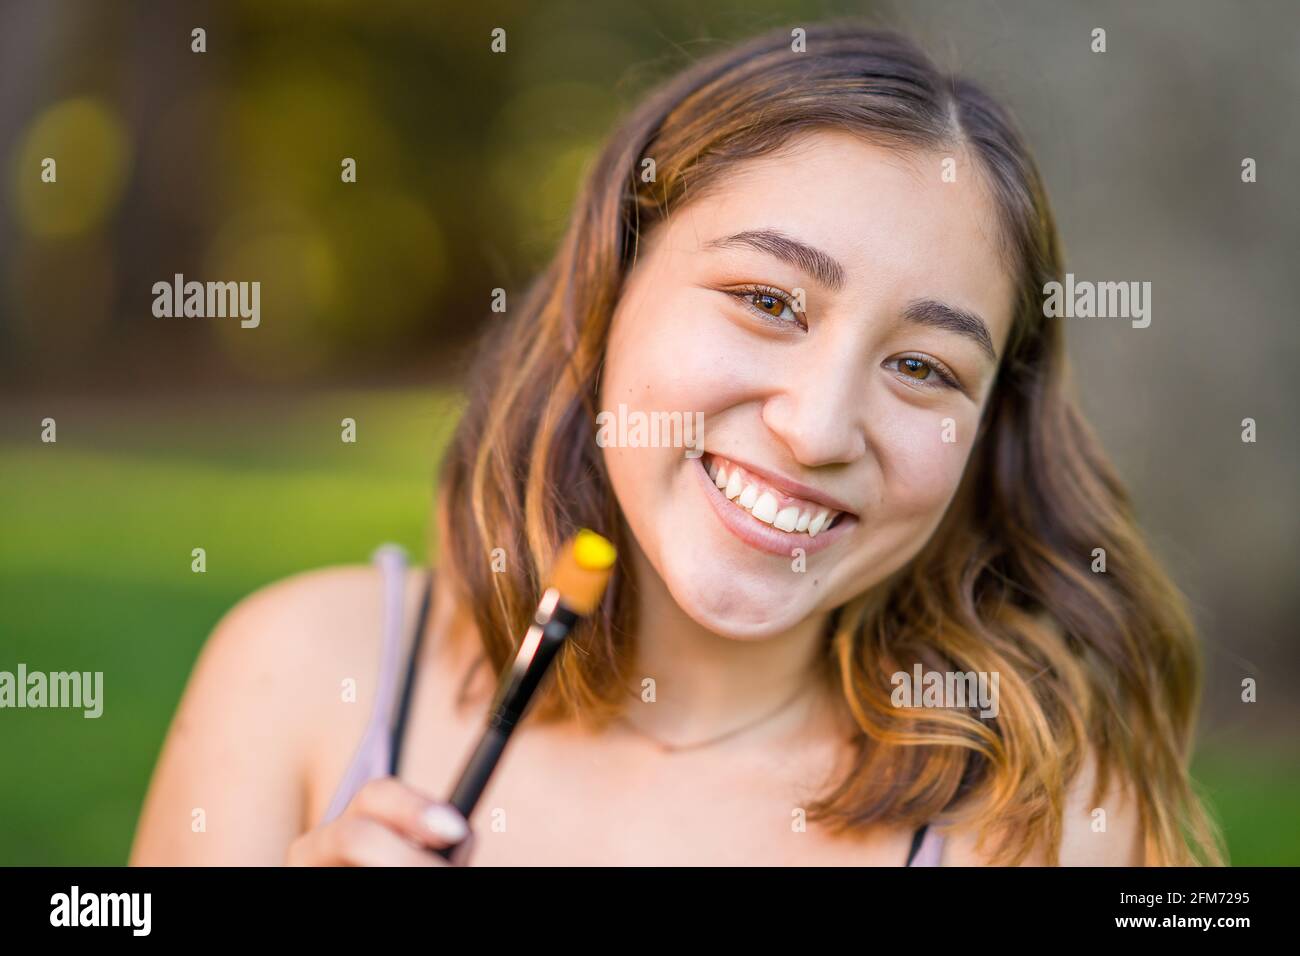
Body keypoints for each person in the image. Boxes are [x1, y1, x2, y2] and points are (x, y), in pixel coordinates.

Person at [131, 22, 1224, 866]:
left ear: (987, 429)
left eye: (922, 366)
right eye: (765, 297)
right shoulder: (301, 674)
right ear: (609, 293)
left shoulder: (1042, 816)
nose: (816, 425)